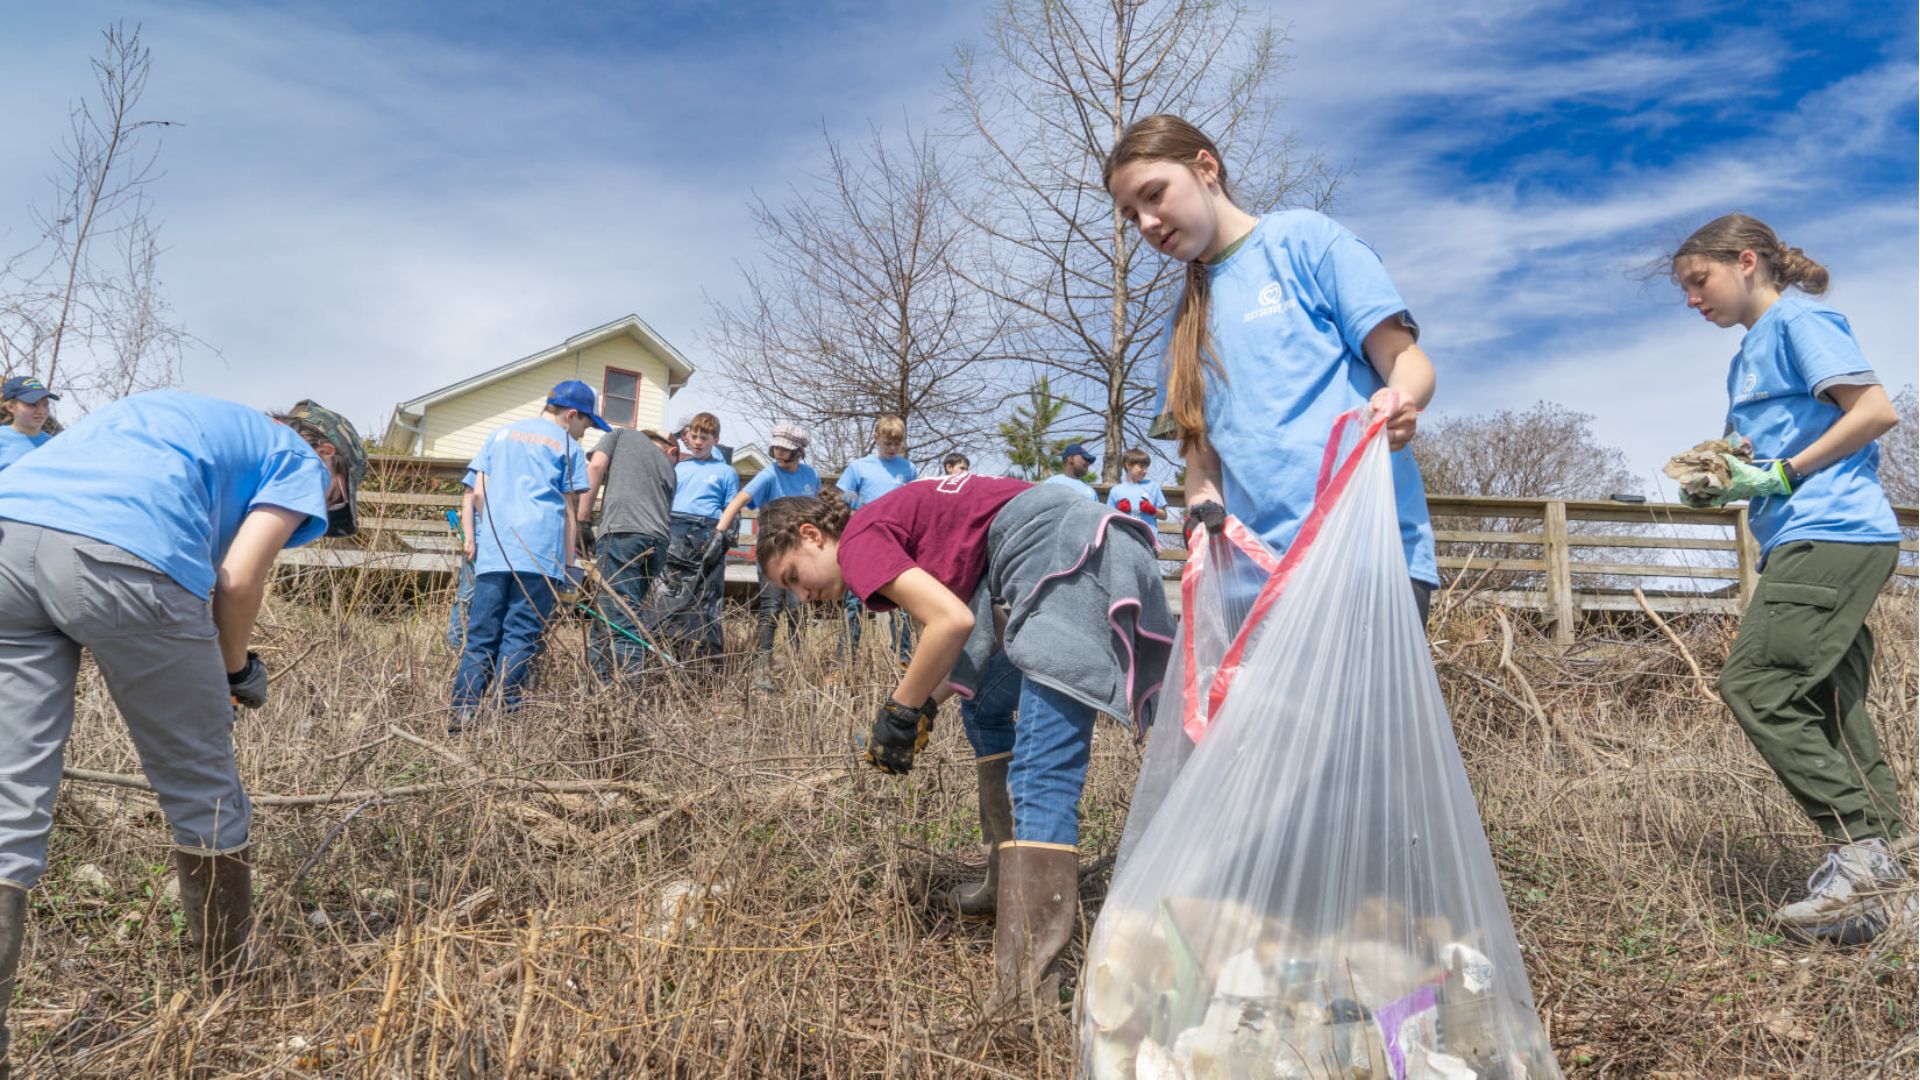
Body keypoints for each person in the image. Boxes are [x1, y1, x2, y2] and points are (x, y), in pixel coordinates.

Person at [0, 391, 366, 1060]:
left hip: (7, 536)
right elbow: (235, 581)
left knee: (9, 798)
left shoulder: (175, 415)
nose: (322, 512)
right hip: (119, 554)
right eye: (336, 500)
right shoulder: (298, 458)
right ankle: (222, 1000)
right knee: (205, 790)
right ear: (328, 455)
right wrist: (233, 673)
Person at [755, 476, 1173, 1005]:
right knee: (985, 702)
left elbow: (949, 622)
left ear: (813, 535)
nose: (802, 595)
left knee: (1040, 773)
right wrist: (923, 706)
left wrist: (899, 712)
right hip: (1089, 547)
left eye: (794, 576)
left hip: (1066, 564)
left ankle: (1025, 990)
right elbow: (967, 642)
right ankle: (1005, 886)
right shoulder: (887, 524)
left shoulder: (860, 542)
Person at [1668, 213, 1908, 944]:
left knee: (1757, 685)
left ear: (1747, 262)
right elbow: (1771, 454)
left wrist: (1779, 471)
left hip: (1832, 532)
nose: (1692, 300)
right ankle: (1894, 887)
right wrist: (1728, 476)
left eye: (1699, 281)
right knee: (1832, 704)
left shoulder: (1801, 320)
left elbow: (1874, 410)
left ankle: (1860, 857)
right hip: (1808, 536)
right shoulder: (1749, 355)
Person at [1104, 114, 1440, 625]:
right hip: (1255, 583)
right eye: (1132, 215)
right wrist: (1200, 514)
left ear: (1206, 168)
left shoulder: (1304, 242)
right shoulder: (1182, 329)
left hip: (1368, 560)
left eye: (1154, 194)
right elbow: (1203, 467)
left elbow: (1403, 360)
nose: (1147, 223)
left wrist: (1401, 399)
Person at [450, 381, 600, 727]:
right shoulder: (567, 445)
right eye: (587, 424)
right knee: (520, 634)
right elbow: (567, 508)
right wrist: (568, 565)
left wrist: (492, 532)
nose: (585, 433)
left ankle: (463, 710)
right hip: (538, 555)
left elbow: (479, 492)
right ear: (572, 414)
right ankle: (504, 711)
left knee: (481, 635)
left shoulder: (500, 435)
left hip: (494, 551)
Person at [715, 423, 821, 690]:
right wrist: (721, 529)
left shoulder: (811, 476)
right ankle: (762, 668)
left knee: (798, 609)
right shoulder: (768, 474)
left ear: (798, 450)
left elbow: (818, 510)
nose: (779, 452)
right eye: (776, 447)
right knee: (771, 609)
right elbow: (741, 499)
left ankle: (798, 666)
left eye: (785, 448)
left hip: (802, 553)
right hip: (772, 552)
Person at [579, 425, 676, 682]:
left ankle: (628, 698)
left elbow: (596, 467)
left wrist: (582, 519)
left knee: (621, 619)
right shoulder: (667, 465)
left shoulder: (620, 435)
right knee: (610, 615)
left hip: (623, 534)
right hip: (658, 543)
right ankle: (596, 684)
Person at [646, 412, 738, 664]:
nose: (698, 442)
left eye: (704, 438)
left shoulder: (725, 472)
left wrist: (720, 536)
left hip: (706, 533)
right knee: (667, 593)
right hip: (674, 531)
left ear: (715, 439)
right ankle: (662, 652)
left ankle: (706, 659)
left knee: (704, 597)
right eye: (694, 436)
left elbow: (731, 508)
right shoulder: (679, 466)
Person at [835, 416, 918, 659]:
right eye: (887, 443)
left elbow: (914, 502)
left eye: (896, 443)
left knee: (901, 604)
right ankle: (846, 658)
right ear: (876, 439)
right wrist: (858, 511)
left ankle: (902, 657)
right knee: (854, 601)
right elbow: (843, 499)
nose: (891, 448)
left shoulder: (908, 468)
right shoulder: (859, 467)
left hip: (898, 543)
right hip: (866, 540)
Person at [445, 467, 480, 649]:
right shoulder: (485, 460)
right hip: (479, 542)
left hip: (504, 545)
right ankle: (454, 643)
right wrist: (469, 538)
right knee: (467, 594)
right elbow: (468, 500)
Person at [0, 376, 58, 473]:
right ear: (11, 407)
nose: (41, 411)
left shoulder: (53, 444)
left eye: (45, 404)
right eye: (32, 404)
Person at [1108, 447, 1168, 533]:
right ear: (1128, 465)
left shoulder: (1153, 486)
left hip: (1148, 539)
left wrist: (1153, 510)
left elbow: (1164, 516)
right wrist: (1118, 512)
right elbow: (1108, 517)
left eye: (1146, 468)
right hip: (1124, 538)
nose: (1145, 471)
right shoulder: (1115, 491)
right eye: (1141, 467)